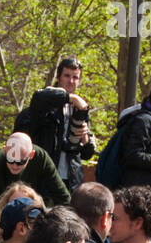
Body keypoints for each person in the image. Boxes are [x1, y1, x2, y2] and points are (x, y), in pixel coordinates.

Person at [14, 55, 96, 191]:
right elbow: (39, 97)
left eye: (75, 77)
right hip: (43, 178)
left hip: (70, 181)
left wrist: (84, 136)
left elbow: (87, 154)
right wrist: (72, 97)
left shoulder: (80, 110)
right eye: (67, 76)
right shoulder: (44, 105)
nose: (71, 81)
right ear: (58, 77)